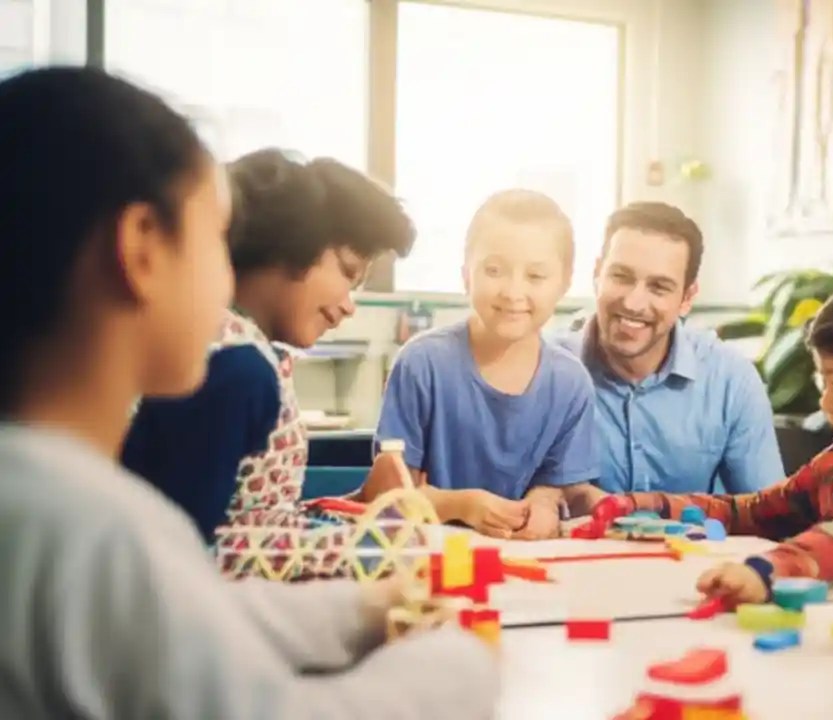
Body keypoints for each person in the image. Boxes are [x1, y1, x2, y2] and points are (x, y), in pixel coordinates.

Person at [0, 66, 495, 719]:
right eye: (217, 236)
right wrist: (461, 662)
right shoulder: (101, 533)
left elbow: (178, 619)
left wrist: (359, 608)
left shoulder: (45, 502)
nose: (233, 261)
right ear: (141, 248)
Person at [585, 272, 833, 604]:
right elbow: (757, 511)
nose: (825, 402)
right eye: (823, 383)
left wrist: (769, 569)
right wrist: (642, 504)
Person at [121, 147, 416, 542]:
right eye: (347, 272)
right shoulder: (235, 367)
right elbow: (186, 544)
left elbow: (253, 518)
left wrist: (360, 505)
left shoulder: (243, 353)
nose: (349, 305)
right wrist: (355, 544)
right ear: (295, 244)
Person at [372, 189, 597, 539]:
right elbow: (391, 494)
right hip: (430, 555)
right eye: (494, 270)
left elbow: (554, 483)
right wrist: (462, 505)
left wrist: (542, 505)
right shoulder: (421, 364)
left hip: (529, 557)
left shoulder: (571, 383)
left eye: (535, 276)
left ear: (564, 283)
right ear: (467, 274)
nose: (513, 292)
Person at [556, 201, 783, 511]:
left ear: (687, 298)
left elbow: (769, 512)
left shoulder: (730, 380)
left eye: (659, 287)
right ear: (597, 274)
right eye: (621, 277)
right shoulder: (547, 370)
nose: (634, 303)